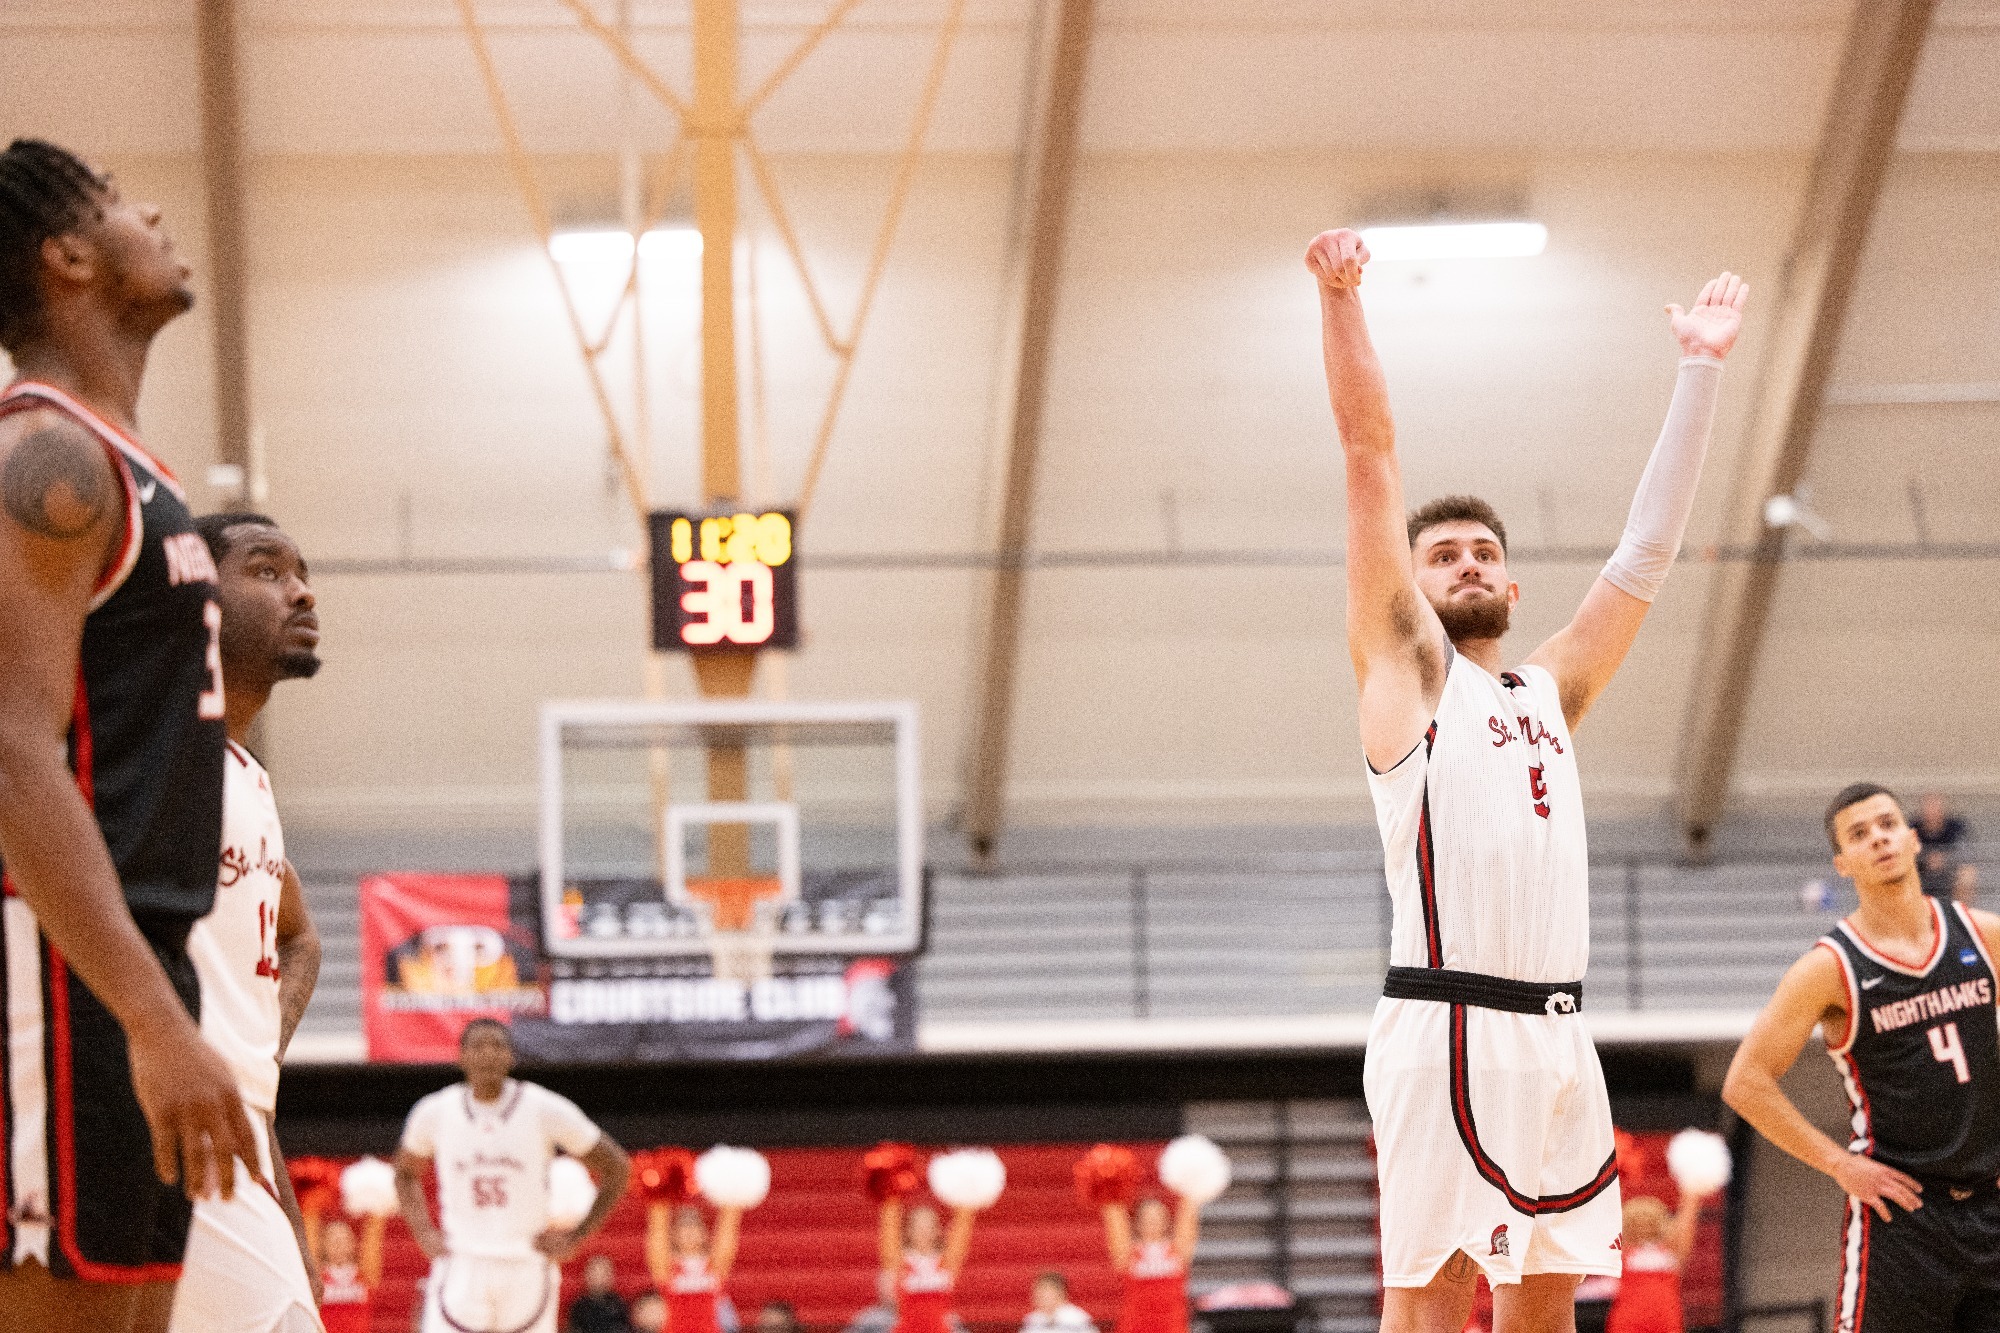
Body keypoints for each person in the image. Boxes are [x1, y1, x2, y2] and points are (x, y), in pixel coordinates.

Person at [1306, 225, 1747, 1333]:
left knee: (1544, 1296)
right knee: (1432, 1297)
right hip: (1445, 1022)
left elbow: (1645, 553)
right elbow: (1368, 453)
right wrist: (1340, 298)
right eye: (1441, 553)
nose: (1466, 562)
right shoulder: (1407, 678)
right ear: (1409, 588)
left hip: (1557, 1033)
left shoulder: (1548, 691)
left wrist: (1698, 368)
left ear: (1509, 583)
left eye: (1481, 553)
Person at [0, 137, 260, 1333]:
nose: (153, 210)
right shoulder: (45, 457)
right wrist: (148, 1017)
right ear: (66, 256)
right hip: (57, 965)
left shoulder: (124, 466)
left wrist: (161, 1001)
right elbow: (9, 749)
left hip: (128, 959)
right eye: (117, 205)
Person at [1724, 783, 2000, 1333]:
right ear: (1842, 863)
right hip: (1901, 1220)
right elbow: (1745, 1083)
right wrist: (1840, 1165)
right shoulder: (1828, 969)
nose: (1878, 839)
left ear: (1914, 839)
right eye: (1859, 834)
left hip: (1990, 1206)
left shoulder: (1983, 933)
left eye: (1887, 824)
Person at [168, 512, 326, 1332]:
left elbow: (301, 935)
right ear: (197, 599)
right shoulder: (147, 751)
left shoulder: (247, 777)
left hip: (237, 1143)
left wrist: (256, 1058)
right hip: (157, 1132)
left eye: (302, 573)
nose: (300, 590)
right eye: (266, 570)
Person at [394, 1020, 633, 1333]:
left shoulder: (543, 1107)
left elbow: (616, 1165)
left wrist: (578, 1236)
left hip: (527, 1262)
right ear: (461, 1056)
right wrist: (423, 1230)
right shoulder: (435, 1111)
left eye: (497, 1046)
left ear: (511, 1056)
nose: (488, 1054)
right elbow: (404, 1173)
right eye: (478, 1046)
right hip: (462, 1261)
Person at [1603, 1191, 1711, 1333]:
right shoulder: (1622, 1251)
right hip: (1629, 1320)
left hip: (1666, 1319)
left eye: (1649, 1220)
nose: (1644, 1225)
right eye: (1638, 1221)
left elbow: (1687, 1220)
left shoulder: (1673, 1251)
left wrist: (1693, 1189)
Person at [646, 1198, 746, 1333]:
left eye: (694, 1226)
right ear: (674, 1234)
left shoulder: (715, 1265)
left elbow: (729, 1224)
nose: (689, 1231)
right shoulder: (666, 1267)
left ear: (705, 1233)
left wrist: (732, 1192)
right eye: (683, 1226)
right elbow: (658, 1225)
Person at [878, 1196, 977, 1333]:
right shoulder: (899, 1261)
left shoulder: (947, 1262)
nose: (923, 1231)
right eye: (918, 1226)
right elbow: (889, 1221)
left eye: (929, 1226)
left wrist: (966, 1193)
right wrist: (891, 1193)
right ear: (908, 1230)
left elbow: (963, 1223)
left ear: (937, 1230)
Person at [1101, 1196, 1194, 1333]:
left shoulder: (1178, 1250)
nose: (1152, 1221)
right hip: (1135, 1325)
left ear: (1167, 1221)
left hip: (1172, 1326)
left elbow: (1189, 1207)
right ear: (1137, 1222)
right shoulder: (1127, 1253)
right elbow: (1113, 1210)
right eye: (1147, 1217)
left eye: (1158, 1216)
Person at [315, 1217, 387, 1333]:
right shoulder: (317, 1278)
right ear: (324, 1244)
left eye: (343, 1240)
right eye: (334, 1241)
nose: (338, 1245)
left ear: (352, 1243)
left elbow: (374, 1233)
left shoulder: (366, 1276)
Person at [565, 1254, 631, 1333]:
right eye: (594, 1272)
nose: (598, 1278)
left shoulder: (621, 1306)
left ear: (611, 1276)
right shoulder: (577, 1307)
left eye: (603, 1273)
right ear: (585, 1276)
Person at [1022, 1272, 1096, 1333]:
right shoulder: (1032, 1319)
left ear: (1059, 1292)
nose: (1037, 1296)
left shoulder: (1077, 1318)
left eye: (1043, 1291)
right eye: (1036, 1292)